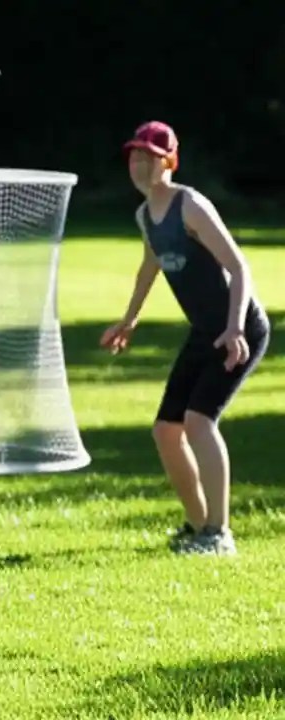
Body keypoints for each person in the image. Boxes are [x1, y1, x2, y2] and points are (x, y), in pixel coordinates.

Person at [100, 120, 270, 556]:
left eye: (149, 157)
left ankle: (219, 534)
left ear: (169, 163)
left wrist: (234, 327)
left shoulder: (189, 205)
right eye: (134, 157)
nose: (139, 165)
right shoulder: (145, 216)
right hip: (205, 331)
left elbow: (239, 266)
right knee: (164, 430)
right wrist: (129, 320)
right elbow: (149, 267)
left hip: (240, 327)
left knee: (198, 421)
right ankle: (198, 526)